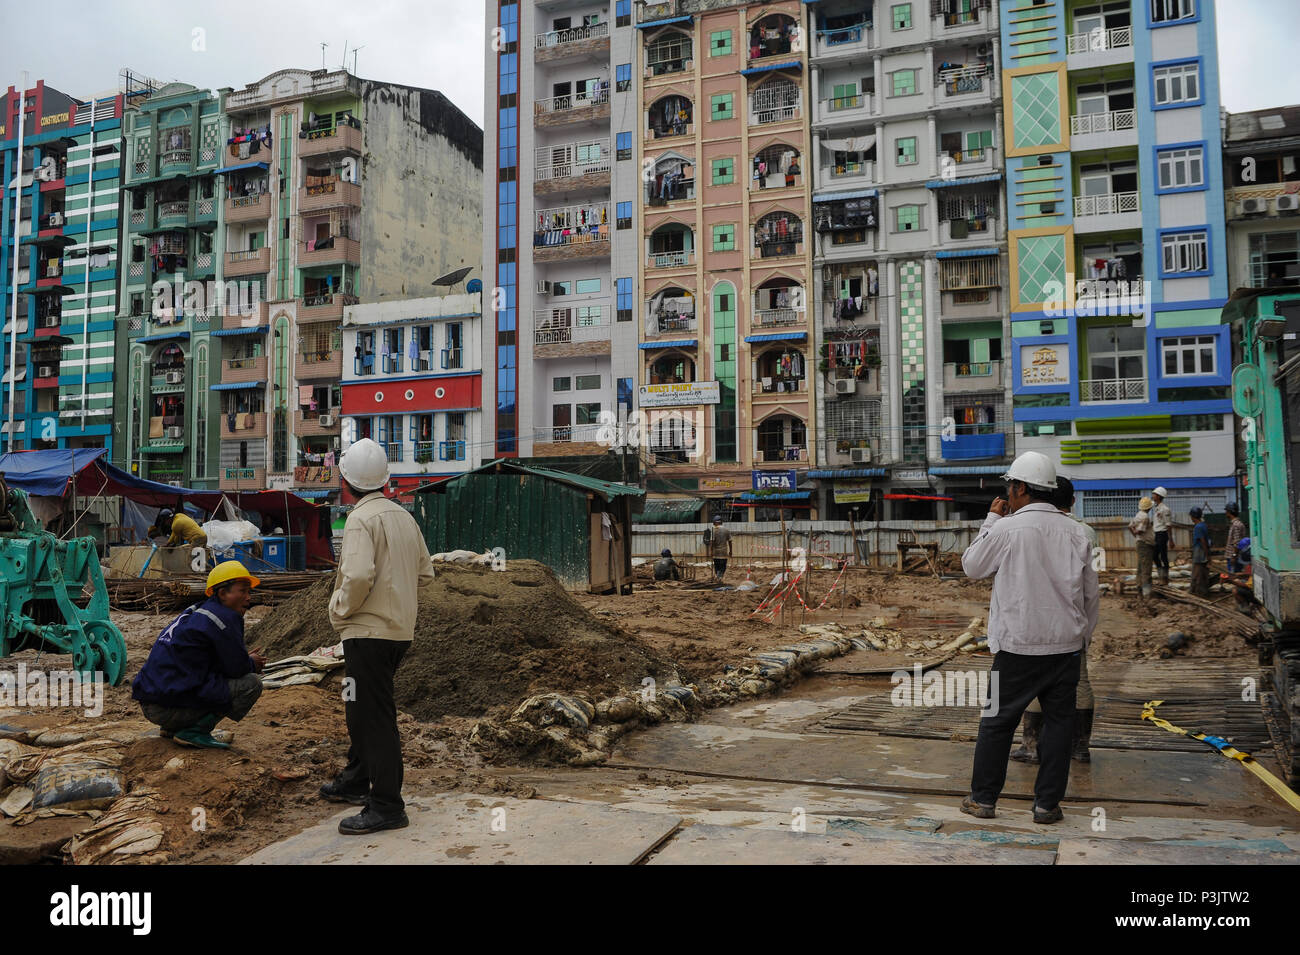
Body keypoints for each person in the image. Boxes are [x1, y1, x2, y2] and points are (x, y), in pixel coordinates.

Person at [959, 451, 1099, 825]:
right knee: (1058, 727)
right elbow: (1090, 597)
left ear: (1019, 488)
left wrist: (991, 518)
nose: (1009, 492)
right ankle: (1046, 806)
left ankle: (983, 800)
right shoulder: (1076, 533)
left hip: (1018, 647)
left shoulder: (1006, 529)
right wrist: (1081, 639)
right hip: (1065, 648)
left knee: (996, 723)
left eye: (1010, 486)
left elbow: (972, 567)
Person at [319, 437, 436, 836]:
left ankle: (386, 804)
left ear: (346, 481)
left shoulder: (359, 519)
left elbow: (357, 577)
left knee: (374, 717)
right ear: (385, 479)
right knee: (359, 706)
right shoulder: (403, 516)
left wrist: (338, 608)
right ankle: (355, 780)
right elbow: (424, 572)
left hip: (367, 633)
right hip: (397, 632)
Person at [131, 561, 266, 748]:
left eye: (248, 591)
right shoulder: (224, 618)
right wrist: (251, 663)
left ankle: (173, 727)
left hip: (151, 704)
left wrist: (242, 660)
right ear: (222, 594)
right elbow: (237, 669)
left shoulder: (196, 612)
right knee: (252, 684)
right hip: (167, 707)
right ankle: (194, 731)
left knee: (205, 679)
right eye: (242, 591)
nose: (248, 597)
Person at [1010, 476, 1098, 764]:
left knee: (1035, 683)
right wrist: (1087, 630)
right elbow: (1091, 589)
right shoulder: (1085, 532)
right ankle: (1079, 746)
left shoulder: (1026, 528)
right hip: (1072, 625)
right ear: (1072, 501)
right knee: (1079, 682)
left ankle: (1032, 745)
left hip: (1033, 626)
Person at [1128, 497, 1156, 597]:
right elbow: (1140, 530)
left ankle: (1139, 589)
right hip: (1146, 544)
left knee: (1140, 567)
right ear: (1149, 508)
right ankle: (1146, 593)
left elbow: (1130, 526)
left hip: (1141, 543)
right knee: (1146, 569)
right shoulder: (1145, 517)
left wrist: (1136, 536)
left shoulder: (1138, 515)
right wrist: (1137, 534)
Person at [1151, 487, 1173, 585]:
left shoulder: (1165, 509)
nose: (1153, 496)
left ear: (1159, 496)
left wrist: (1171, 539)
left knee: (1163, 556)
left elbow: (1168, 525)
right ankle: (1161, 575)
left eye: (1154, 494)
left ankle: (1165, 577)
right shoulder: (1156, 508)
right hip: (1157, 534)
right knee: (1154, 555)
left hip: (1162, 534)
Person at [1190, 506, 1211, 597]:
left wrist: (1207, 555)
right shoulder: (1203, 525)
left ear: (1193, 516)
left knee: (1197, 571)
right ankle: (1202, 590)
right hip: (1203, 550)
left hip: (1199, 551)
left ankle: (1195, 591)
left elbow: (1202, 541)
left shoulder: (1198, 527)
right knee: (1202, 570)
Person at [705, 515, 732, 581]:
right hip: (723, 552)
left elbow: (712, 542)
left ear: (715, 522)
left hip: (716, 553)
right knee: (723, 566)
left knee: (717, 566)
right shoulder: (726, 530)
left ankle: (718, 576)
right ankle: (720, 577)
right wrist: (731, 551)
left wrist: (711, 551)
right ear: (721, 522)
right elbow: (730, 542)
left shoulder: (714, 530)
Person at [1225, 502, 1247, 573]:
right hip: (1236, 556)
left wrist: (1234, 556)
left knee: (1233, 576)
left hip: (1233, 556)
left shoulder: (1236, 525)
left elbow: (1237, 542)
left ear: (1229, 512)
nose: (1226, 513)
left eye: (1226, 511)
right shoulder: (1237, 524)